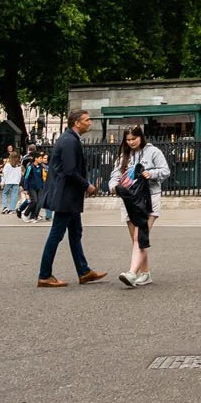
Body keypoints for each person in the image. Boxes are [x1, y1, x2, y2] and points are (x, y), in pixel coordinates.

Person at [37, 110, 107, 289]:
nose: (90, 123)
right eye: (87, 120)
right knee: (56, 235)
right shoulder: (69, 141)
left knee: (75, 234)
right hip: (65, 196)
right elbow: (69, 171)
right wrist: (87, 185)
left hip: (69, 197)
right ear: (77, 123)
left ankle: (84, 272)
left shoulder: (70, 138)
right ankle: (44, 275)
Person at [109, 125, 170, 288]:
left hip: (149, 197)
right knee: (136, 239)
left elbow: (165, 170)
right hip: (129, 199)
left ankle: (131, 273)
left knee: (139, 236)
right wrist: (114, 186)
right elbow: (114, 175)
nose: (131, 142)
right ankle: (145, 273)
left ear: (141, 137)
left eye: (133, 139)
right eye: (127, 140)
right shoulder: (124, 156)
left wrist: (152, 174)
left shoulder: (154, 152)